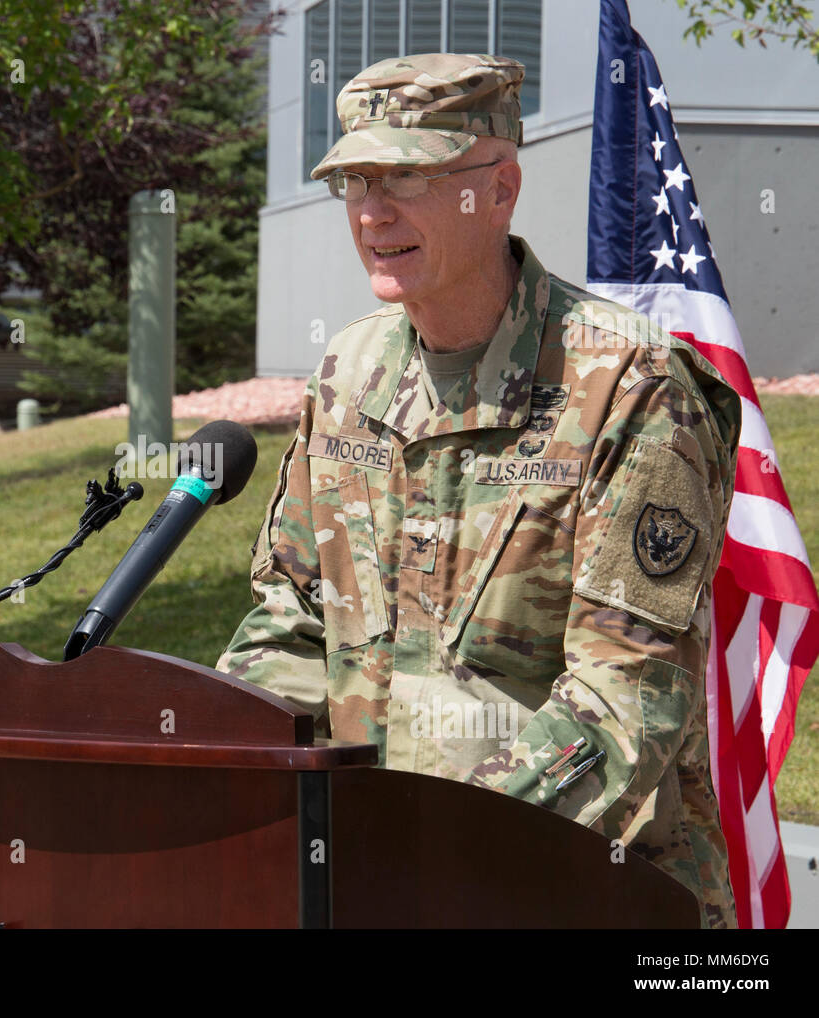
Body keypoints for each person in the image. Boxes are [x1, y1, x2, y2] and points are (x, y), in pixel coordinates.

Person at [215, 53, 740, 929]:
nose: (373, 212)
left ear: (499, 188)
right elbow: (293, 630)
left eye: (409, 178)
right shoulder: (349, 371)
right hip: (370, 887)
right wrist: (206, 790)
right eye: (354, 181)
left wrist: (429, 858)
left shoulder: (628, 385)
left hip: (583, 893)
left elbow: (627, 700)